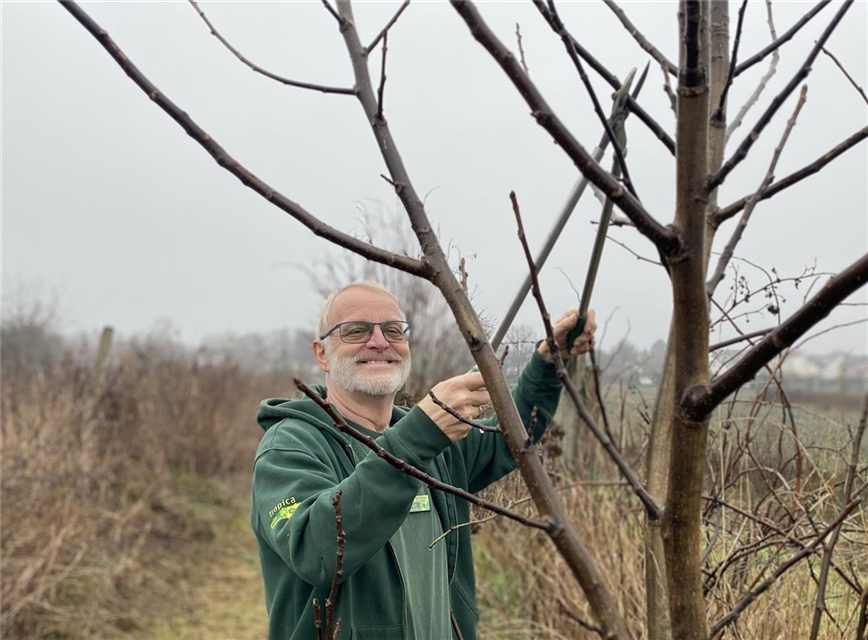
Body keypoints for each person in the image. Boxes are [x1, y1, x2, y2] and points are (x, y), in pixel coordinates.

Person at [251, 281, 596, 640]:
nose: (379, 341)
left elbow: (512, 437)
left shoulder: (433, 443)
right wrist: (419, 435)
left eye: (393, 330)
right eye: (356, 330)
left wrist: (548, 362)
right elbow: (317, 551)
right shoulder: (289, 447)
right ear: (322, 353)